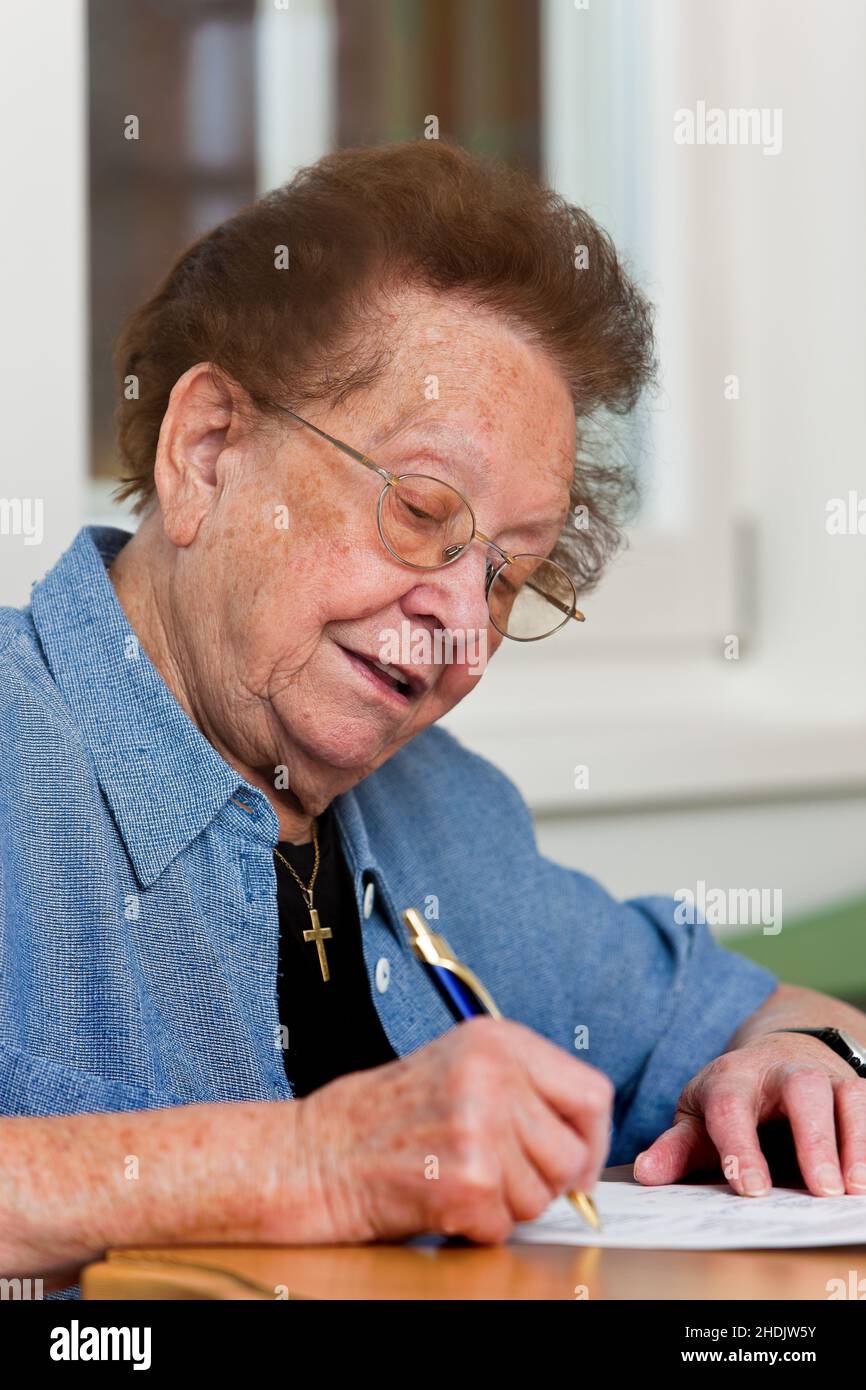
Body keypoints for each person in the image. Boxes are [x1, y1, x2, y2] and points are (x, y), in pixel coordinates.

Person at [2, 141, 865, 1296]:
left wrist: (794, 1062)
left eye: (508, 575)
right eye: (418, 510)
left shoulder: (451, 818)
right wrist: (317, 1165)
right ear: (207, 451)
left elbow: (769, 1009)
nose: (463, 621)